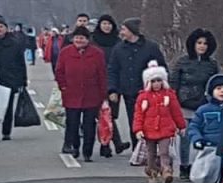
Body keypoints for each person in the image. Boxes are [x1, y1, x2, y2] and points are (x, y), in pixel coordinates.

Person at [107, 17, 167, 147]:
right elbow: (113, 70)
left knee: (151, 121)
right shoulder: (118, 49)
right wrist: (112, 89)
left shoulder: (151, 47)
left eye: (124, 29)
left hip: (149, 92)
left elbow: (162, 68)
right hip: (129, 92)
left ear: (131, 31)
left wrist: (161, 86)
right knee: (134, 122)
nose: (121, 32)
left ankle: (151, 148)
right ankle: (137, 148)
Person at [170, 28, 219, 180]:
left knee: (203, 137)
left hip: (204, 105)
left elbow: (216, 84)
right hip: (183, 104)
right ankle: (185, 165)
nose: (202, 46)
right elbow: (174, 83)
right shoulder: (182, 62)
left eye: (205, 43)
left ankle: (201, 165)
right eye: (199, 43)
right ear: (193, 44)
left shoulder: (212, 65)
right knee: (185, 138)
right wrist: (173, 103)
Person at [55, 26, 108, 162]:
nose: (79, 40)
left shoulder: (97, 53)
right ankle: (75, 147)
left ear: (87, 40)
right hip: (71, 94)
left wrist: (103, 95)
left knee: (89, 124)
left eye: (82, 38)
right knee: (72, 123)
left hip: (92, 94)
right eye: (77, 38)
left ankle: (87, 151)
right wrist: (63, 87)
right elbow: (59, 71)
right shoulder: (65, 52)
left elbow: (102, 75)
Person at [133, 61, 186, 183]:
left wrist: (181, 125)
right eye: (153, 81)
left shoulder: (169, 95)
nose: (156, 84)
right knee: (150, 154)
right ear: (148, 83)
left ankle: (166, 170)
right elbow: (138, 114)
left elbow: (176, 111)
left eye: (159, 80)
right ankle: (152, 172)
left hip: (165, 129)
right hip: (149, 129)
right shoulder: (143, 97)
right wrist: (138, 129)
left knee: (164, 152)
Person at [91, 14, 129, 157]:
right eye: (104, 23)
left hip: (114, 82)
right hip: (96, 82)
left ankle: (110, 143)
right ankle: (108, 144)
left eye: (109, 24)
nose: (106, 26)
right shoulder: (93, 41)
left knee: (111, 114)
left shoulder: (118, 43)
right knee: (101, 114)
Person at [0, 15, 27, 142]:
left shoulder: (14, 43)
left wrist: (22, 81)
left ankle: (6, 131)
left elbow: (21, 63)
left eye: (1, 27)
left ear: (6, 29)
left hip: (10, 78)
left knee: (7, 107)